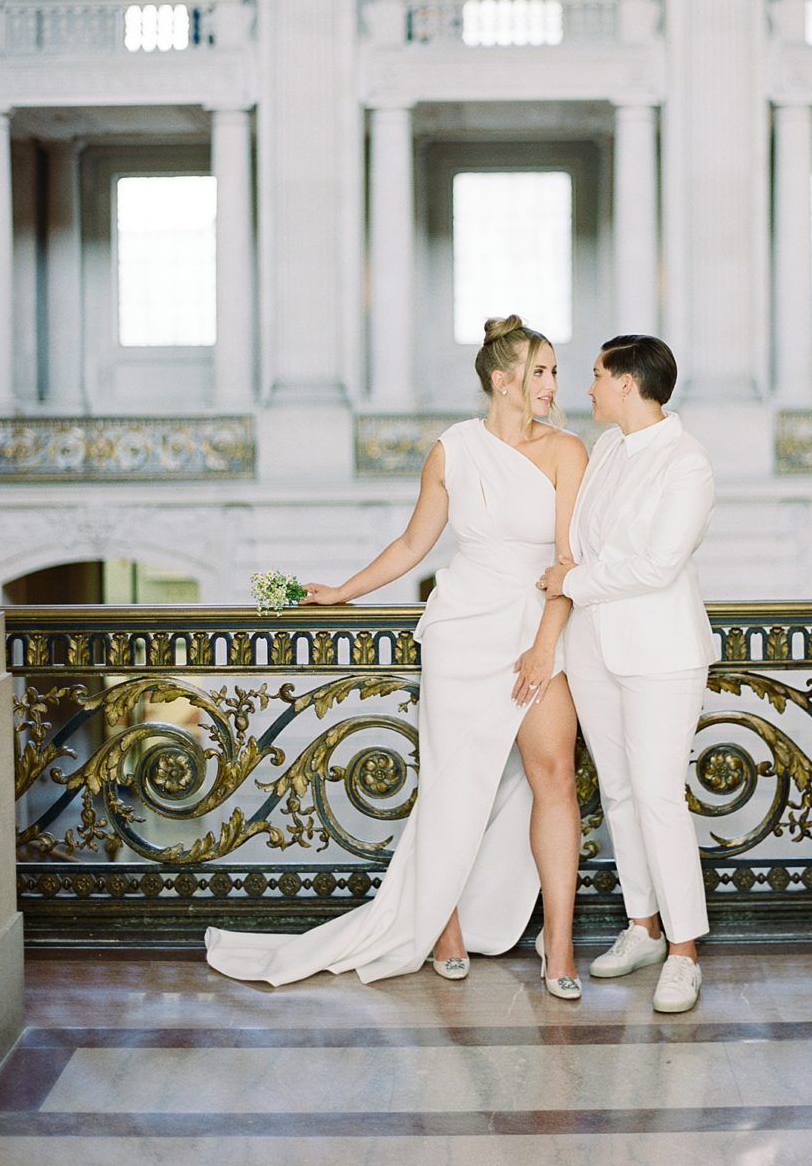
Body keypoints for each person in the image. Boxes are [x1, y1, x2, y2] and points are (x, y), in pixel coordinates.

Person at [206, 315, 588, 997]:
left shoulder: (567, 452)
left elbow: (569, 561)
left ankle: (556, 945)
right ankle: (440, 925)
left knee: (554, 776)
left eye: (555, 371)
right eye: (539, 372)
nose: (551, 385)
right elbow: (414, 545)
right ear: (500, 381)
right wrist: (340, 590)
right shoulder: (452, 450)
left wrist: (541, 646)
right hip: (460, 630)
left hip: (536, 627)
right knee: (453, 782)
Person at [539, 335, 718, 1013]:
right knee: (616, 793)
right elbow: (585, 541)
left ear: (625, 383)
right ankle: (641, 927)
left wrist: (574, 579)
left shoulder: (687, 463)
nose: (585, 388)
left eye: (594, 376)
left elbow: (658, 565)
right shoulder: (609, 448)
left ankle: (683, 952)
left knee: (656, 795)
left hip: (661, 653)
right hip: (593, 647)